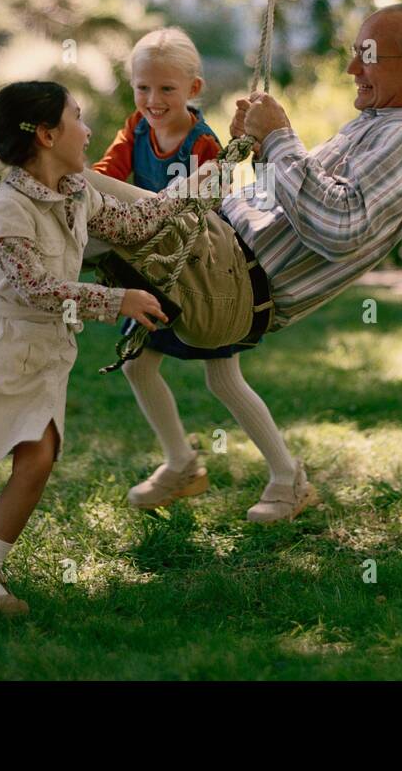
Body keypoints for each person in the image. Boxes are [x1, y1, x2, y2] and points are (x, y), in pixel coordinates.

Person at [0, 3, 402, 523]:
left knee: (42, 186)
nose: (351, 69)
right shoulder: (382, 125)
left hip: (228, 276)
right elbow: (303, 198)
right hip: (215, 250)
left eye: (367, 56)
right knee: (38, 198)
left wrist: (280, 138)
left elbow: (341, 227)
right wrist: (253, 149)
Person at [0, 80, 218, 615]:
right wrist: (117, 300)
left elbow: (136, 221)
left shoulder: (78, 190)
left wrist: (205, 179)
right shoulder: (10, 208)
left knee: (38, 460)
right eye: (78, 118)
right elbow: (33, 288)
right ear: (45, 134)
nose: (88, 130)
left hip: (47, 355)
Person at [91, 28, 310, 520]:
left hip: (204, 270)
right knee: (137, 364)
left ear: (193, 89)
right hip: (154, 265)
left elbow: (212, 202)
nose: (152, 100)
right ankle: (182, 463)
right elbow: (107, 172)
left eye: (166, 89)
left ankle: (286, 473)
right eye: (142, 87)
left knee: (224, 379)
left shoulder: (204, 142)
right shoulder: (137, 129)